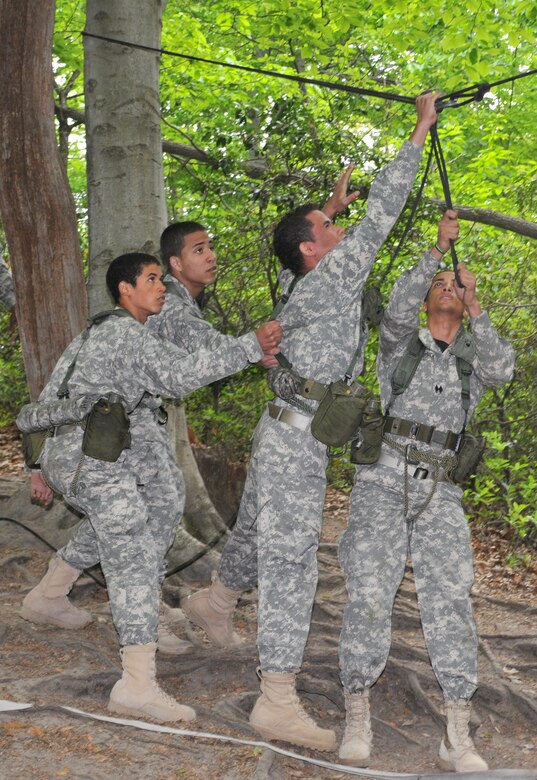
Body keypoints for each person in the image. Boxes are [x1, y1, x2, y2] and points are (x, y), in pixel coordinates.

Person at [181, 92, 441, 752]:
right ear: (311, 248)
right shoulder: (330, 279)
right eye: (328, 228)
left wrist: (326, 209)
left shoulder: (301, 280)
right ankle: (275, 697)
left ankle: (213, 605)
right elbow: (383, 215)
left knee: (255, 530)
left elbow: (312, 242)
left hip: (286, 430)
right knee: (291, 561)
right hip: (294, 439)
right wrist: (419, 129)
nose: (340, 229)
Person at [17, 252, 281, 723]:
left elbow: (56, 392)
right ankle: (136, 683)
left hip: (88, 455)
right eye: (152, 279)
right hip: (85, 461)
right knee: (133, 548)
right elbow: (179, 377)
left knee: (154, 507)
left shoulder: (110, 330)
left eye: (161, 278)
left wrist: (38, 462)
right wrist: (248, 345)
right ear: (126, 289)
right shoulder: (124, 335)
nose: (162, 287)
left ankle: (50, 595)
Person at [337, 211, 515, 769]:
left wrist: (477, 304)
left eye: (453, 285)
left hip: (440, 489)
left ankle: (456, 729)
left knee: (451, 599)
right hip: (383, 480)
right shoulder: (401, 343)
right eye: (438, 284)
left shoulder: (473, 359)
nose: (445, 288)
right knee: (370, 591)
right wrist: (437, 252)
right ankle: (357, 710)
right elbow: (393, 308)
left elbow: (504, 369)